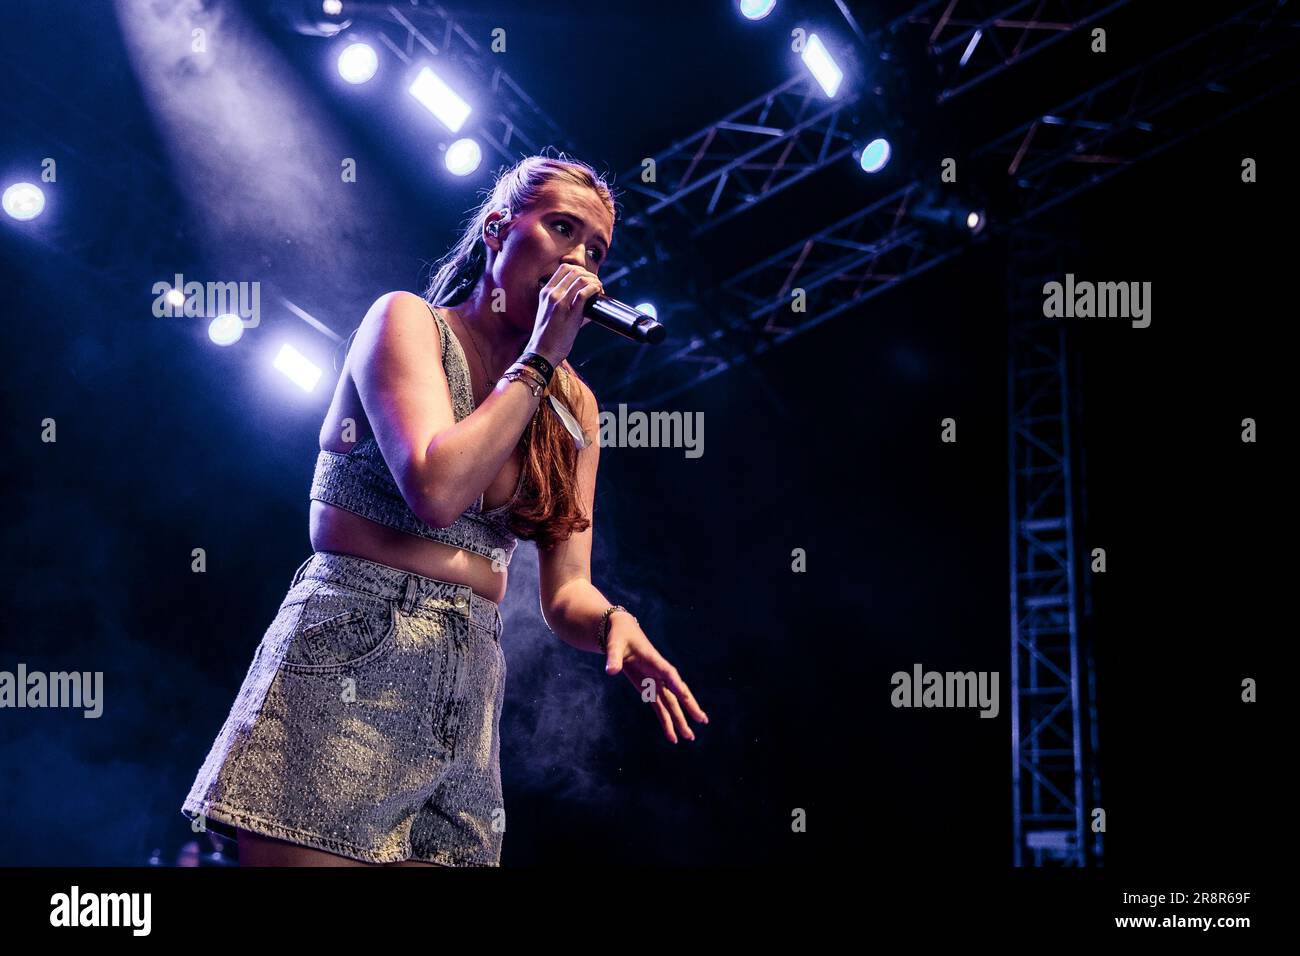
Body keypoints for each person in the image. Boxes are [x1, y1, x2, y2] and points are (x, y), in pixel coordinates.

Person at [180, 154, 709, 867]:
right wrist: (542, 356)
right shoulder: (406, 323)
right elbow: (435, 490)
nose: (580, 258)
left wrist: (615, 622)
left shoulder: (575, 407)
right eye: (561, 228)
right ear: (497, 230)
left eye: (596, 249)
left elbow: (565, 591)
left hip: (467, 685)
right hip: (352, 647)